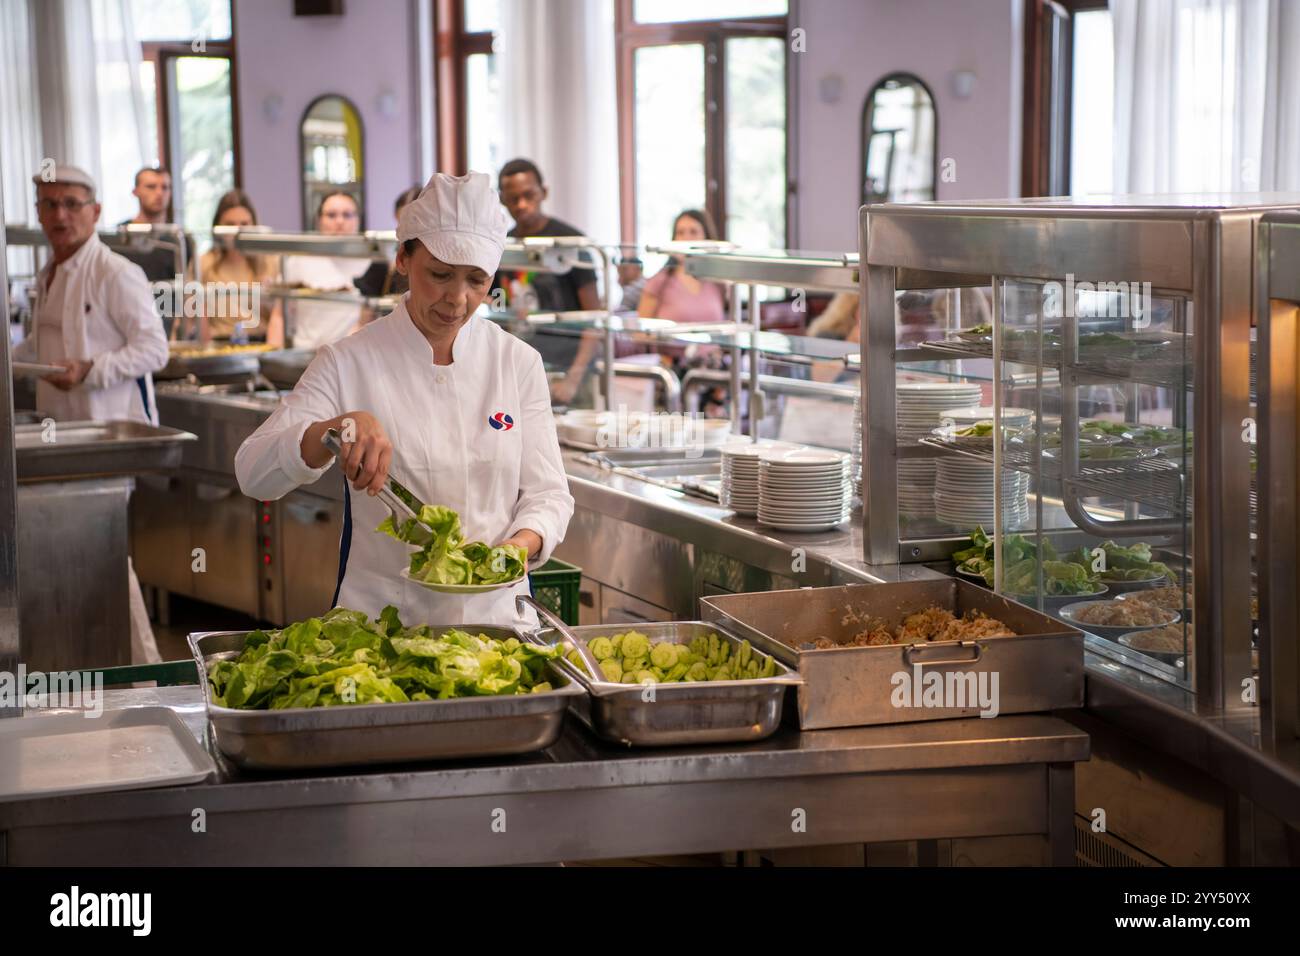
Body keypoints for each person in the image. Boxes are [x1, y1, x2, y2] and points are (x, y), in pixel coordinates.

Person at [235, 172, 574, 628]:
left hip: (497, 628)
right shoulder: (348, 361)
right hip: (381, 634)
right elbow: (253, 473)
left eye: (476, 281)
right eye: (439, 275)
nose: (457, 299)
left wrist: (515, 550)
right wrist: (335, 430)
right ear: (402, 259)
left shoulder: (517, 363)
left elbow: (549, 495)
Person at [13, 164, 168, 664]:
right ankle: (79, 666)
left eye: (71, 204)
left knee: (103, 556)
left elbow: (153, 350)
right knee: (69, 557)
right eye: (49, 204)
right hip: (58, 440)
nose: (60, 215)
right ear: (38, 213)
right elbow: (40, 345)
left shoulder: (117, 273)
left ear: (95, 211)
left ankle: (144, 674)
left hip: (104, 440)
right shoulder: (50, 271)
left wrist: (89, 370)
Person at [280, 190, 370, 349]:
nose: (340, 221)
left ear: (358, 220)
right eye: (331, 215)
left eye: (347, 215)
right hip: (307, 354)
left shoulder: (370, 261)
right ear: (319, 220)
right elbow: (279, 314)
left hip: (355, 354)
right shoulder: (300, 259)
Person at [197, 189, 284, 345]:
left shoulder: (271, 261)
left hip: (262, 344)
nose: (238, 231)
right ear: (218, 227)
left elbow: (281, 316)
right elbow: (196, 317)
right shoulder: (203, 263)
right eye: (230, 224)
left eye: (244, 224)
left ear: (254, 224)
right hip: (219, 346)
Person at [116, 166, 195, 305]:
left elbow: (190, 291)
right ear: (136, 191)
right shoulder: (120, 236)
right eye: (151, 187)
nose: (159, 193)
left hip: (169, 318)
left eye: (165, 187)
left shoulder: (181, 239)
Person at [638, 209, 726, 324]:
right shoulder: (659, 282)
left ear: (706, 237)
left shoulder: (718, 282)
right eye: (680, 233)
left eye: (693, 232)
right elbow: (641, 333)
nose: (687, 238)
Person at [355, 184, 423, 300]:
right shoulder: (385, 260)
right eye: (401, 223)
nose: (406, 230)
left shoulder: (439, 260)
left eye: (413, 222)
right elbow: (368, 305)